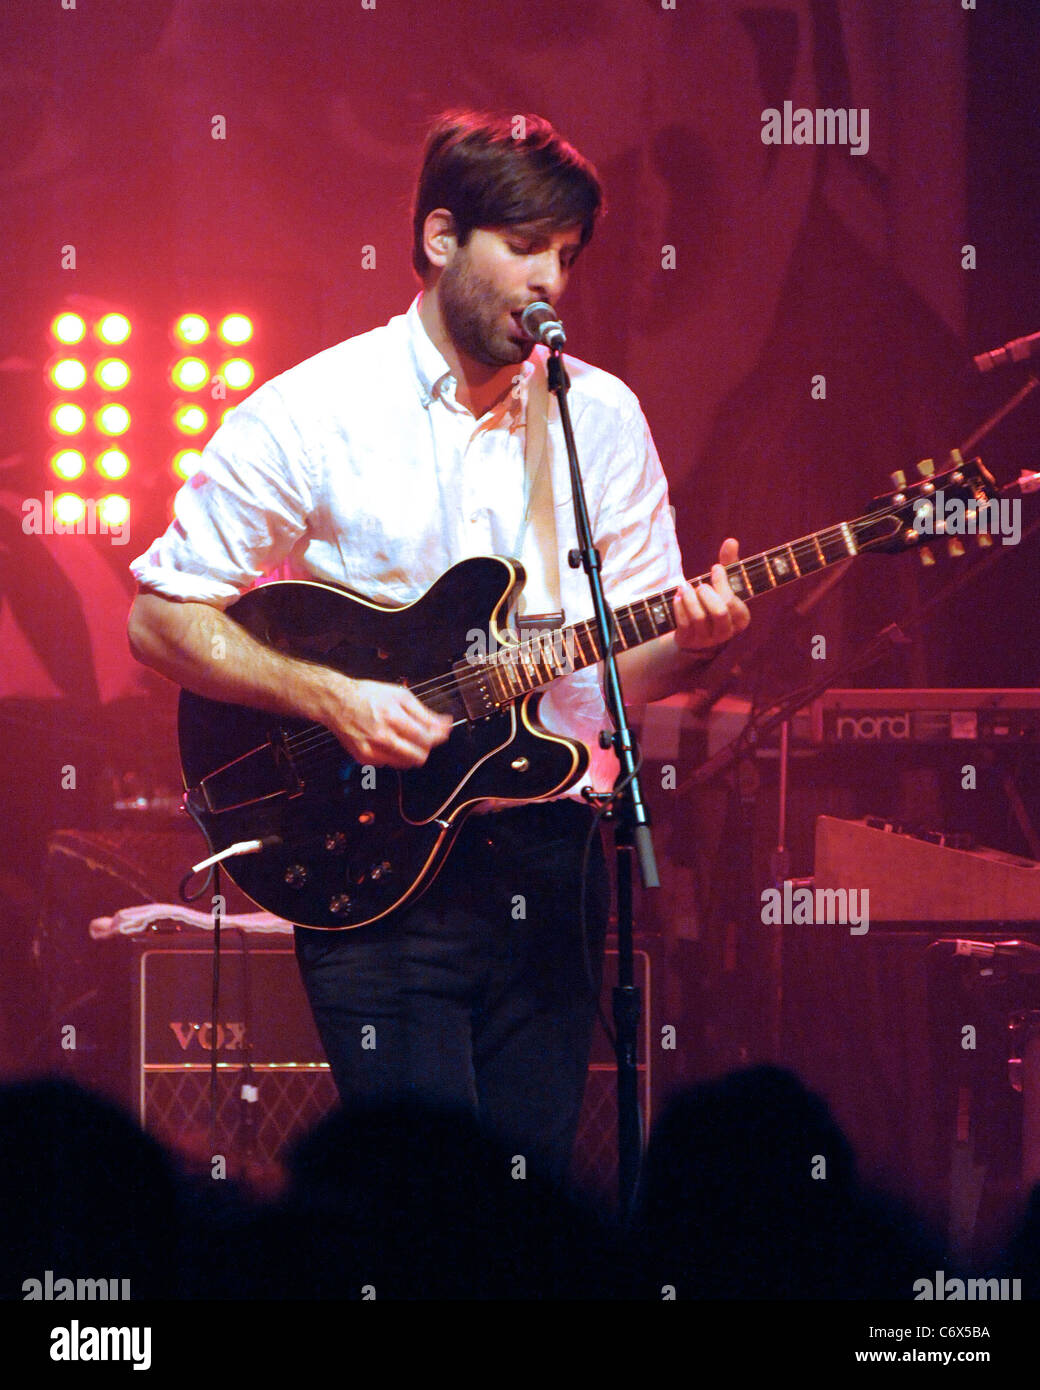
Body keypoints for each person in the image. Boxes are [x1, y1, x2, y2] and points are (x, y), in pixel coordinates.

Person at [127, 111, 750, 1178]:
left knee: (532, 1203)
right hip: (376, 861)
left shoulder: (599, 418)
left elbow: (613, 669)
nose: (548, 277)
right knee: (419, 1208)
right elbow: (160, 618)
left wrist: (693, 644)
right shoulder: (314, 411)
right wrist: (331, 699)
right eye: (522, 246)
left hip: (551, 858)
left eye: (565, 253)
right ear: (437, 240)